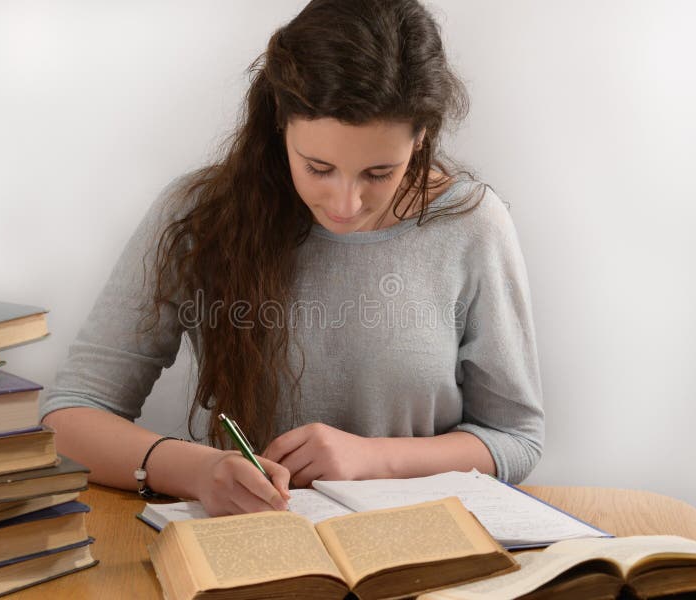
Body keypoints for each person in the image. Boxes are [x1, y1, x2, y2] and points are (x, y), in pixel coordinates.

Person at [41, 0, 544, 517]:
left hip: (418, 547)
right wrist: (196, 471)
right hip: (259, 543)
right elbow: (70, 418)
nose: (346, 204)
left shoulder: (471, 225)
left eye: (379, 173)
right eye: (318, 168)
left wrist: (373, 458)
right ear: (281, 122)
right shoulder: (199, 216)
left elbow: (515, 438)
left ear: (421, 138)